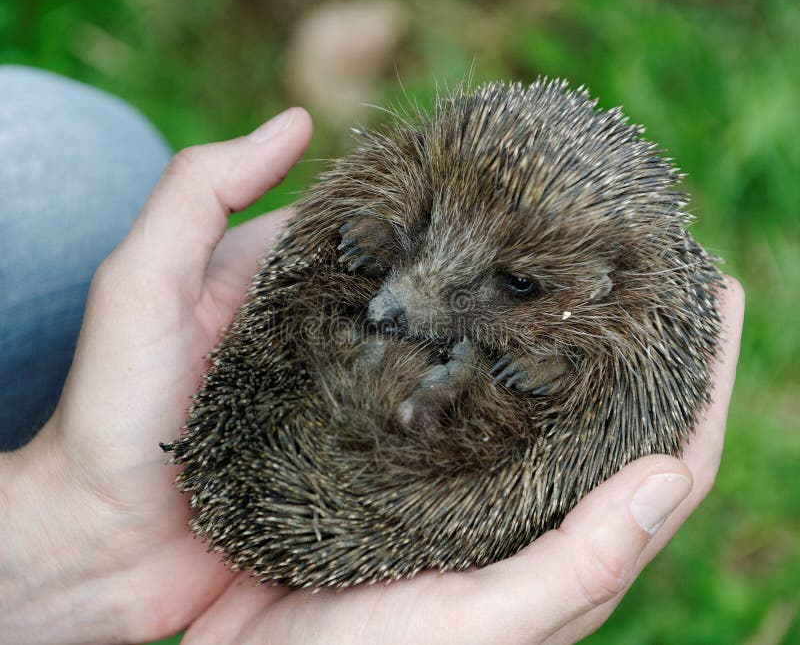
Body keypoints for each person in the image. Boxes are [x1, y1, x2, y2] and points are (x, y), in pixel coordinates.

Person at [0, 66, 744, 645]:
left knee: (102, 168)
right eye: (421, 226)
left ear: (610, 284)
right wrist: (80, 512)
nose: (397, 303)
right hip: (315, 422)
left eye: (515, 283)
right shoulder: (410, 182)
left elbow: (580, 434)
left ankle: (415, 402)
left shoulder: (632, 333)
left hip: (437, 463)